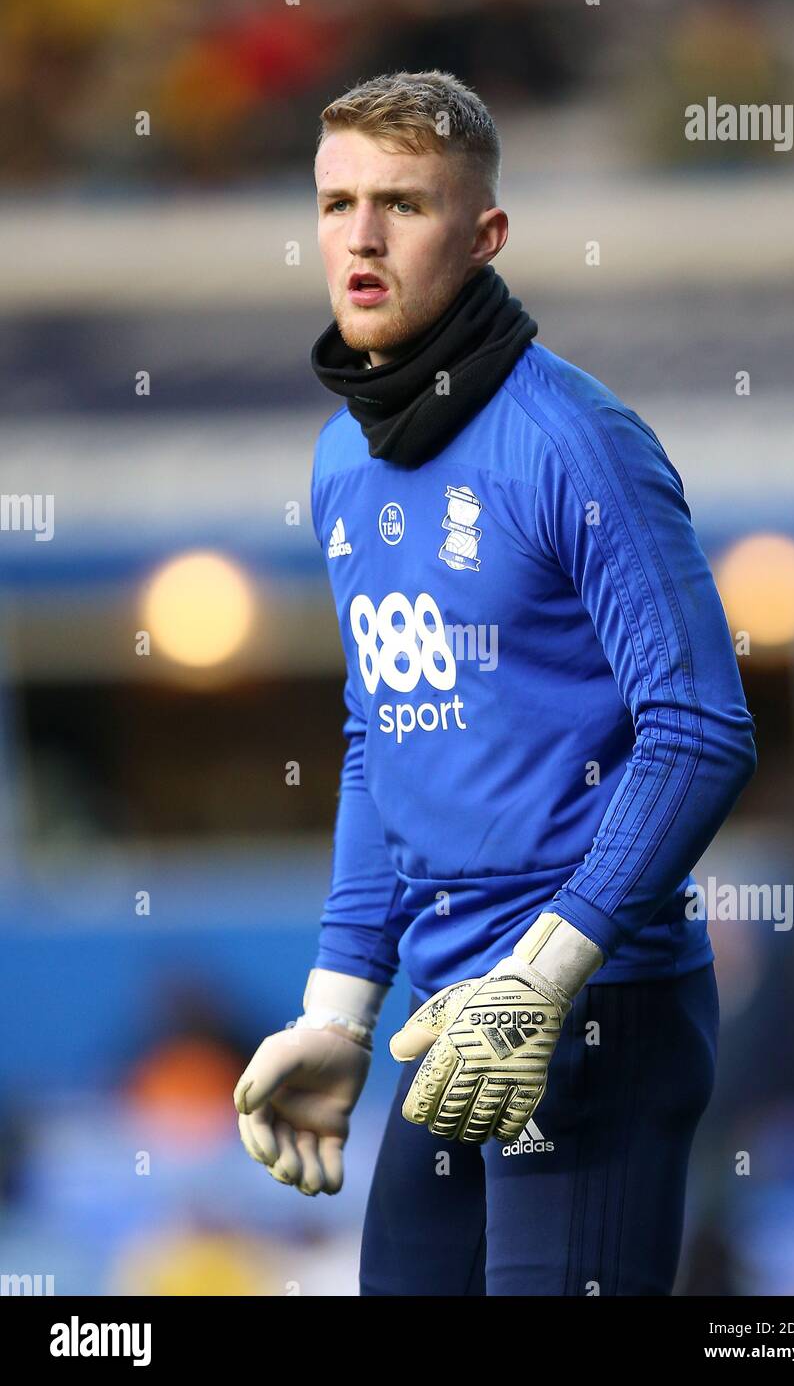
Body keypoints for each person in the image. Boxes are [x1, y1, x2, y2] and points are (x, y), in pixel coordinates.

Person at [234, 69, 757, 1297]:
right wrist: (338, 1009)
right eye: (337, 203)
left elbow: (699, 728)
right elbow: (380, 737)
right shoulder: (341, 457)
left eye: (404, 204)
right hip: (444, 1023)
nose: (361, 237)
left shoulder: (574, 439)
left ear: (485, 235)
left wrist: (546, 973)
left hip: (598, 1010)